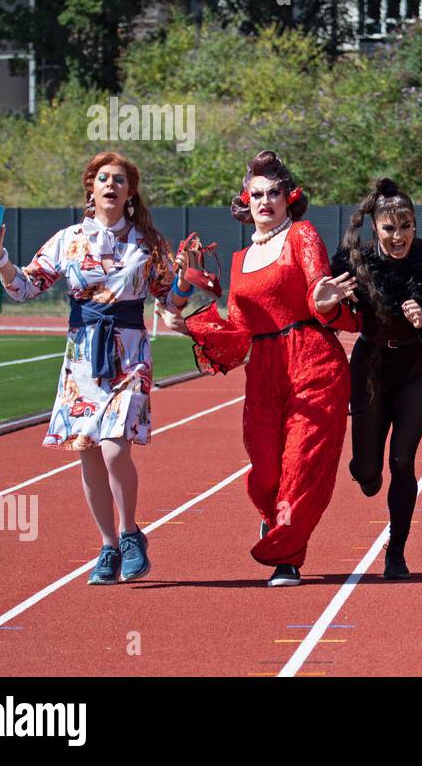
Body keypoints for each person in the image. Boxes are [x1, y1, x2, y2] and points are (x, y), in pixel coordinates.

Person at [162, 150, 357, 586]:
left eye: (274, 193)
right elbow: (237, 336)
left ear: (289, 198)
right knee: (265, 465)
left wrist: (324, 300)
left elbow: (317, 291)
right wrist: (188, 326)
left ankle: (286, 556)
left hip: (314, 361)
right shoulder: (238, 261)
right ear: (245, 203)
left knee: (300, 463)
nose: (265, 201)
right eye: (257, 194)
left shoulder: (303, 236)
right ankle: (275, 518)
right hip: (265, 370)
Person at [0, 152, 173, 584]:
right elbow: (24, 288)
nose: (110, 184)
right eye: (102, 178)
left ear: (130, 191)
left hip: (129, 353)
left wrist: (187, 286)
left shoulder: (149, 243)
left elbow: (169, 296)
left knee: (114, 446)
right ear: (91, 187)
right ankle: (107, 546)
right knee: (87, 453)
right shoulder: (67, 240)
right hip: (82, 357)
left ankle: (130, 534)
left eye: (119, 179)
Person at [330, 178, 422, 580]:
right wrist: (331, 300)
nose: (398, 236)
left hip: (417, 368)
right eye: (389, 228)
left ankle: (397, 551)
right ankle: (365, 471)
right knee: (369, 471)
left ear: (414, 225)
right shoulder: (352, 261)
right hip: (370, 366)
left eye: (405, 226)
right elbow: (322, 305)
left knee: (403, 461)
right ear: (375, 227)